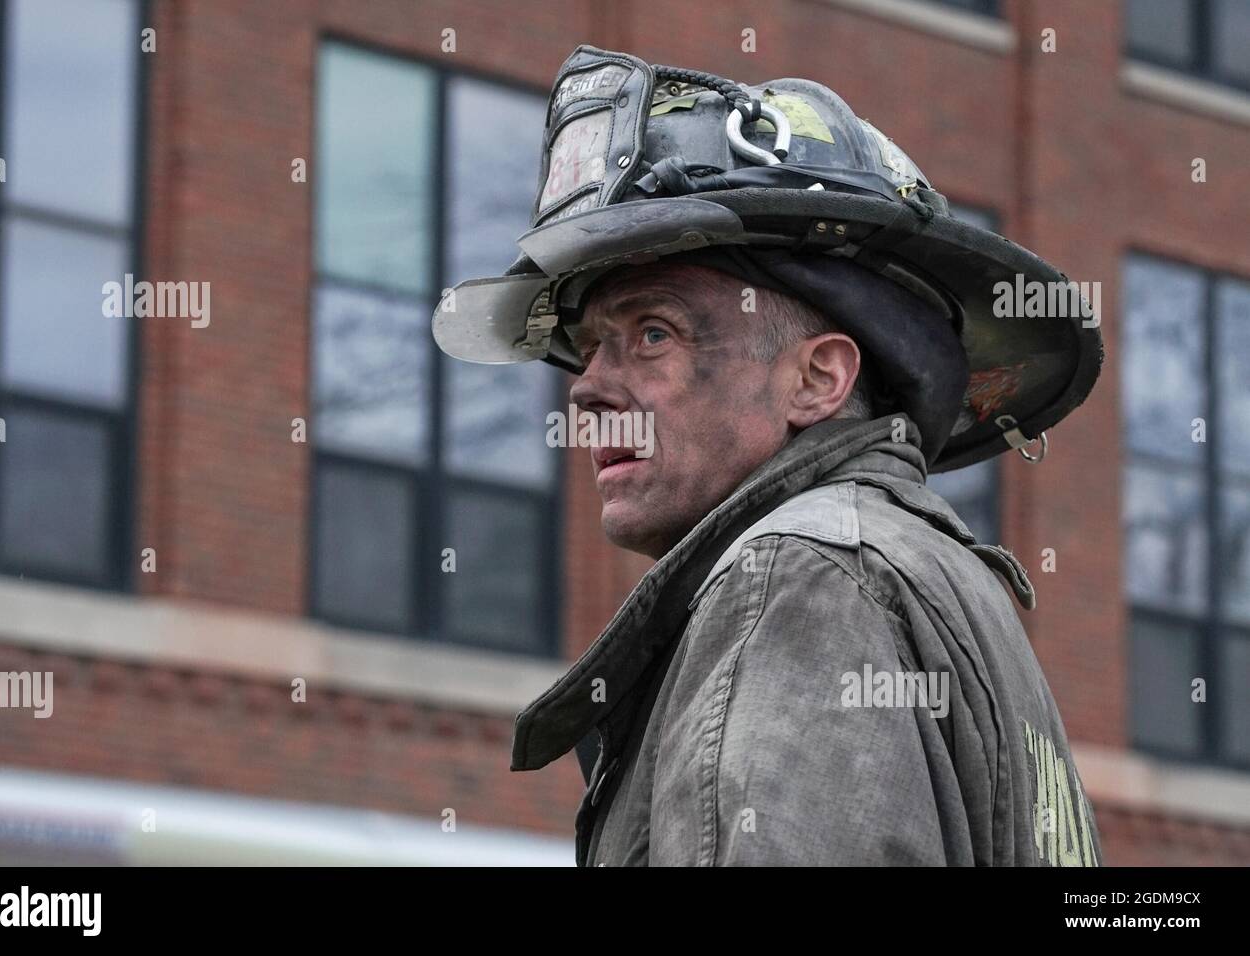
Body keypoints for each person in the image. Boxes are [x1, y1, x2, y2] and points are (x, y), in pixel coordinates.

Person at [433, 45, 1104, 866]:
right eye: (590, 344)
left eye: (652, 333)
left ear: (817, 379)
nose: (586, 388)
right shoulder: (937, 580)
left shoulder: (800, 576)